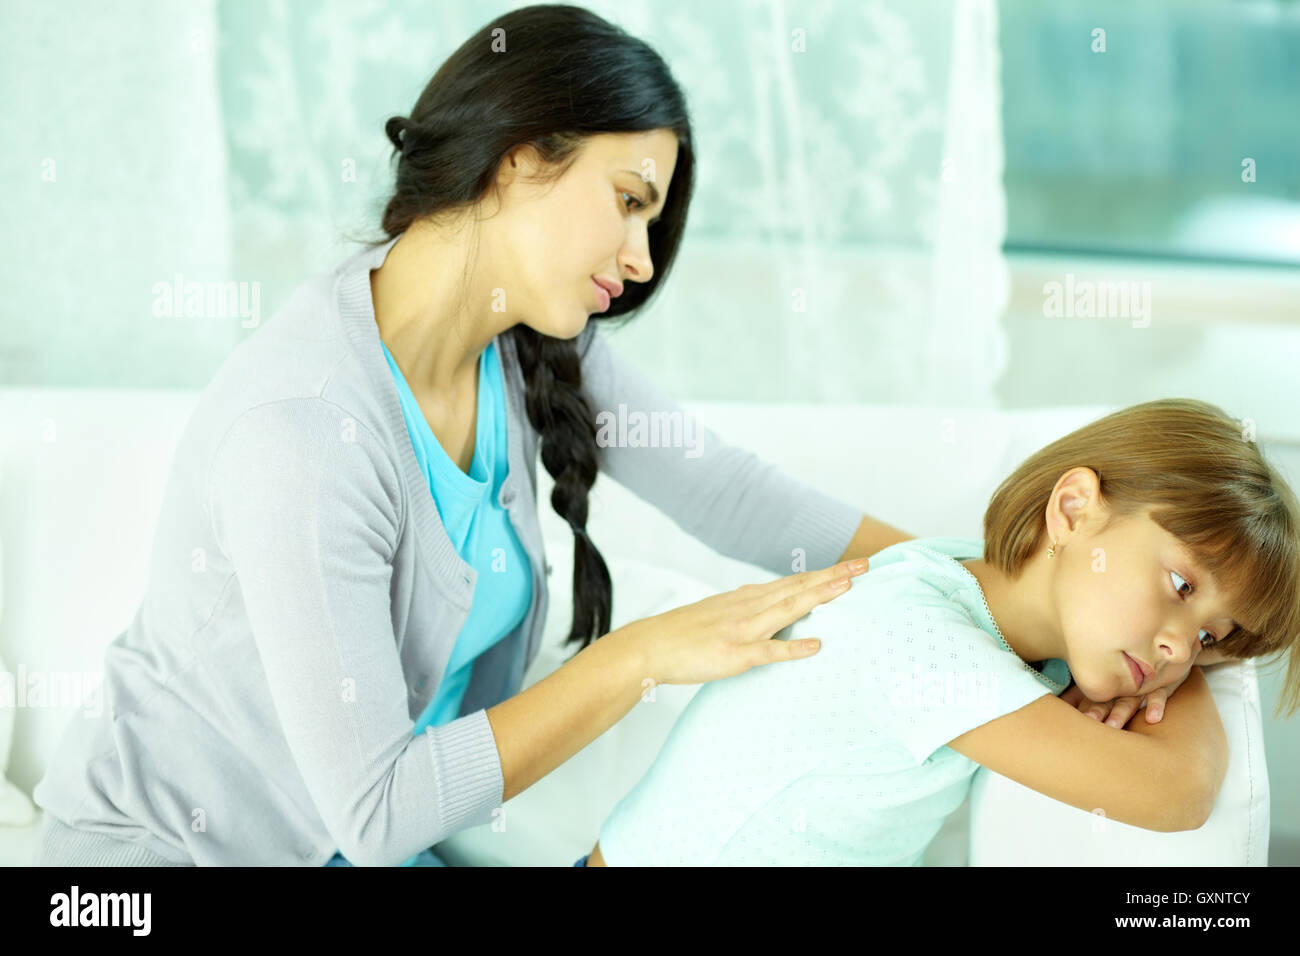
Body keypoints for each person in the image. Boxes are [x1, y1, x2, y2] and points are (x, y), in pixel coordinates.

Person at [30, 3, 904, 867]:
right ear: (521, 156)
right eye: (629, 201)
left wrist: (962, 579)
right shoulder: (304, 426)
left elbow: (728, 490)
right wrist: (643, 656)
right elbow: (378, 813)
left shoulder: (527, 342)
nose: (641, 258)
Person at [581, 398, 1300, 866]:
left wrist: (1183, 656)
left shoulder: (973, 587)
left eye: (1214, 637)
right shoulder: (926, 642)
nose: (1181, 646)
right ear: (1075, 509)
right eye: (1180, 586)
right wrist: (1196, 679)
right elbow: (1176, 793)